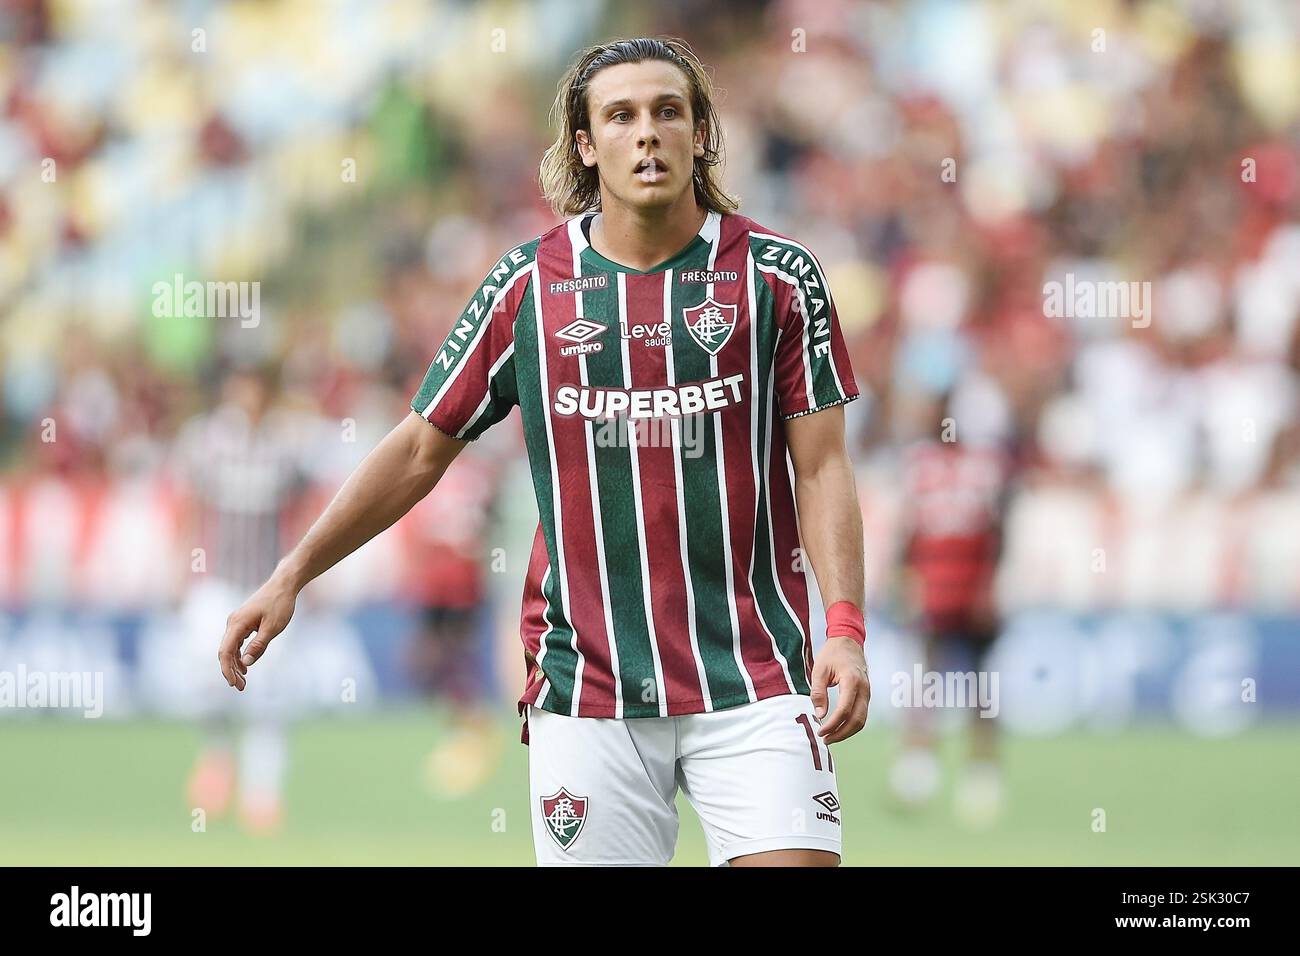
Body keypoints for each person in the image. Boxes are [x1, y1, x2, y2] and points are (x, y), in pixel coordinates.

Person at [218, 36, 871, 867]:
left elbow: (820, 465)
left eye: (669, 112)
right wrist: (292, 574)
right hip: (587, 686)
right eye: (622, 116)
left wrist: (843, 629)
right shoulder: (529, 287)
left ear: (701, 133)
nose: (647, 134)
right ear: (586, 145)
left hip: (757, 676)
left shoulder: (778, 278)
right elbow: (421, 446)